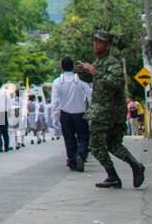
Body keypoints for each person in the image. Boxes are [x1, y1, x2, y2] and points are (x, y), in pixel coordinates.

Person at [81, 30, 146, 189]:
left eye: (100, 42)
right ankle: (134, 166)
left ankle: (113, 176)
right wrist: (85, 73)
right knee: (113, 145)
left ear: (108, 45)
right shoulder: (100, 62)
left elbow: (116, 82)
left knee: (96, 146)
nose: (96, 44)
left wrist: (95, 72)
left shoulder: (112, 63)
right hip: (105, 111)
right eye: (95, 41)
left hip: (106, 112)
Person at [52, 56, 91, 171]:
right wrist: (90, 110)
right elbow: (90, 95)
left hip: (65, 114)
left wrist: (55, 117)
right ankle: (81, 155)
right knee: (83, 137)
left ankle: (72, 161)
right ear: (72, 66)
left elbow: (55, 102)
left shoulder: (57, 82)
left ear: (62, 67)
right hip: (80, 114)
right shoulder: (80, 81)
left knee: (69, 139)